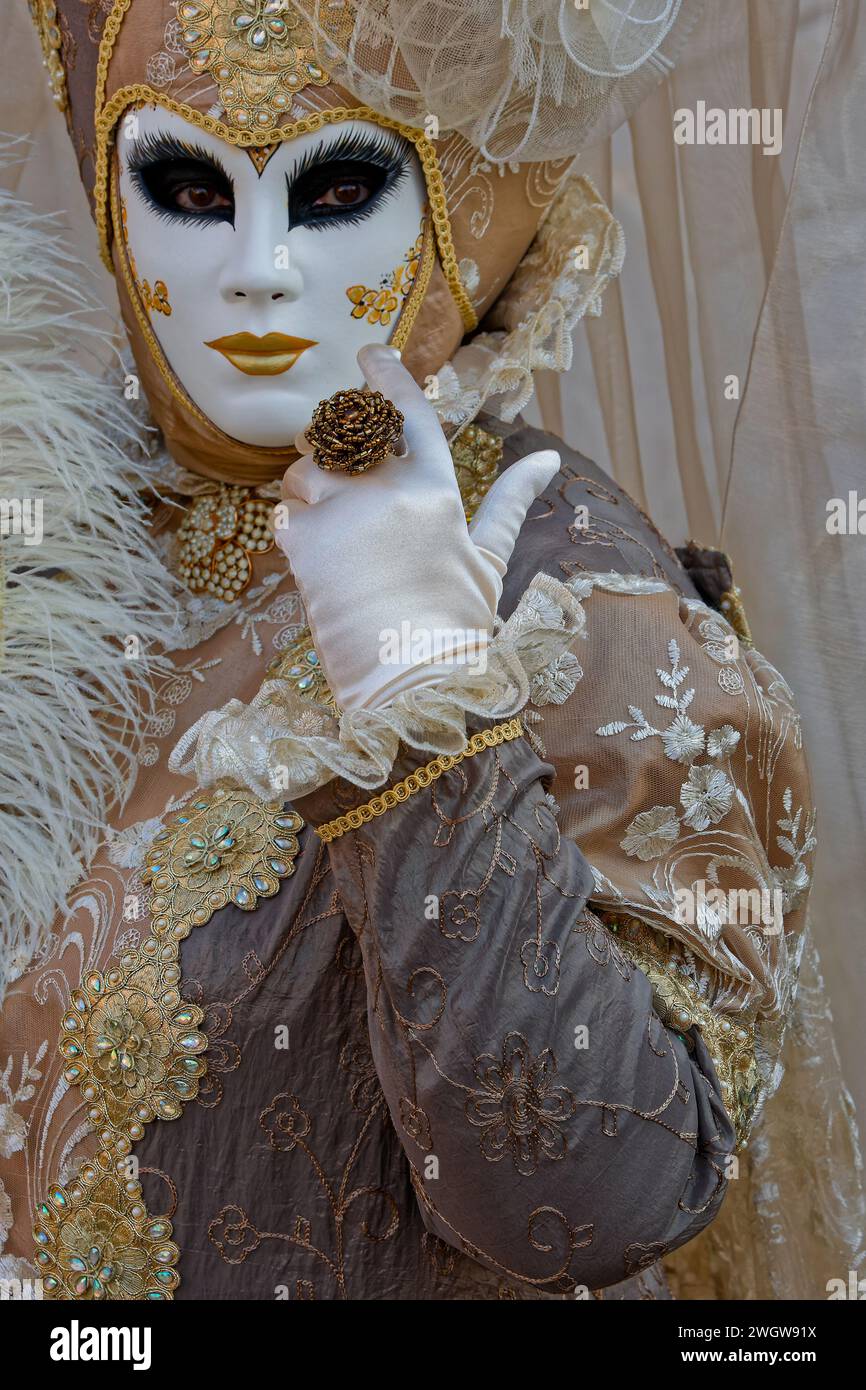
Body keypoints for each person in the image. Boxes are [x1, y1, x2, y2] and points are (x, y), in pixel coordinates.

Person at [1, 0, 813, 1300]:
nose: (256, 265)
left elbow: (600, 1195)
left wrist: (420, 704)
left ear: (466, 198)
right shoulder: (56, 530)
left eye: (330, 187)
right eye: (190, 186)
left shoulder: (563, 585)